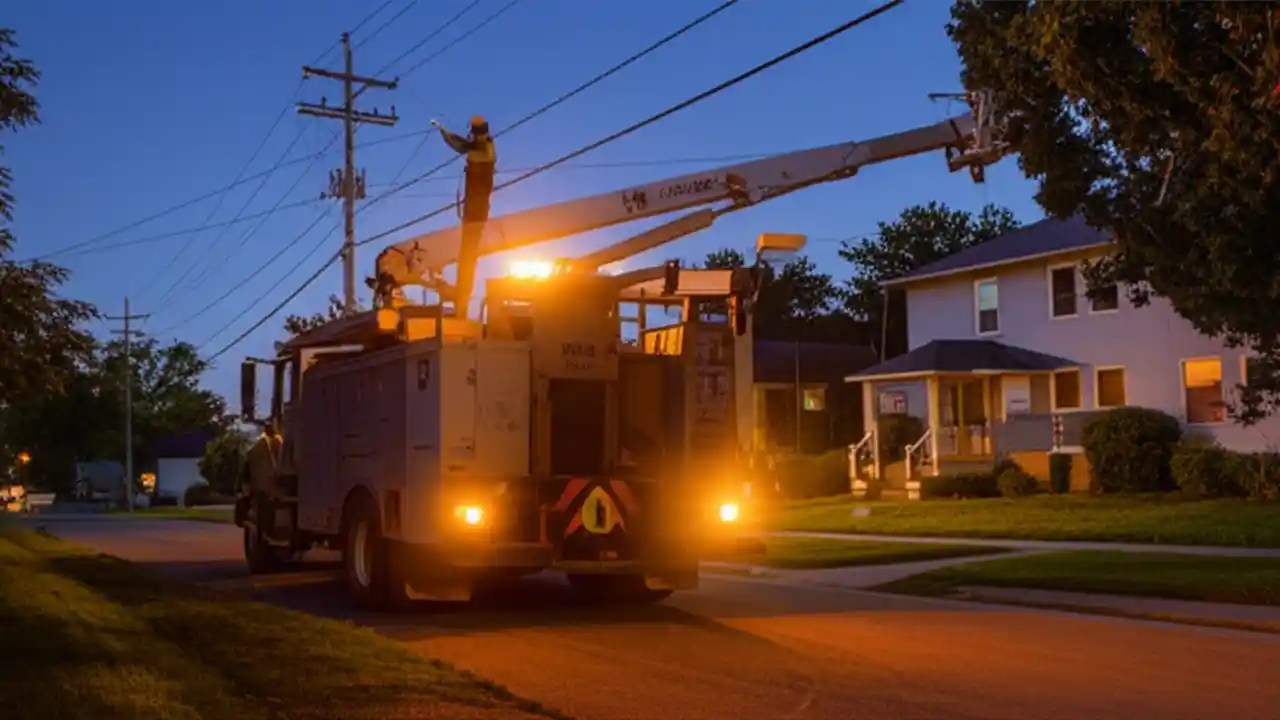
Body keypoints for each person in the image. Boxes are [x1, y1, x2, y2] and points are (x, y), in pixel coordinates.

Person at [432, 116, 496, 318]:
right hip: (475, 211)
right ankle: (462, 295)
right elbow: (465, 145)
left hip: (475, 213)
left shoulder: (483, 152)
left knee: (468, 254)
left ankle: (462, 297)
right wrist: (446, 133)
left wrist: (445, 135)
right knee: (467, 254)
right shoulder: (483, 147)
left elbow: (463, 147)